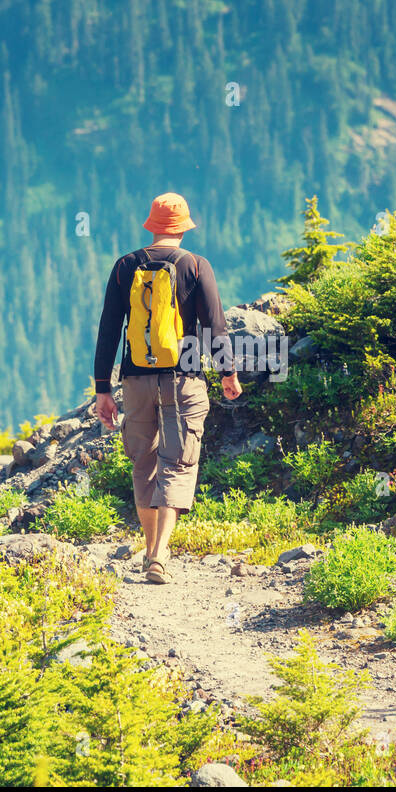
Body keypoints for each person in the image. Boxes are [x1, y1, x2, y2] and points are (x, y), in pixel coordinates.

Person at [93, 192, 241, 584]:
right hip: (185, 378)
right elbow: (215, 326)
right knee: (177, 462)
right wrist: (227, 372)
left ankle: (149, 548)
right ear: (183, 227)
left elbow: (109, 330)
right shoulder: (195, 265)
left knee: (144, 461)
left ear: (152, 225)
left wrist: (102, 388)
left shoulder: (126, 267)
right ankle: (159, 554)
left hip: (136, 378)